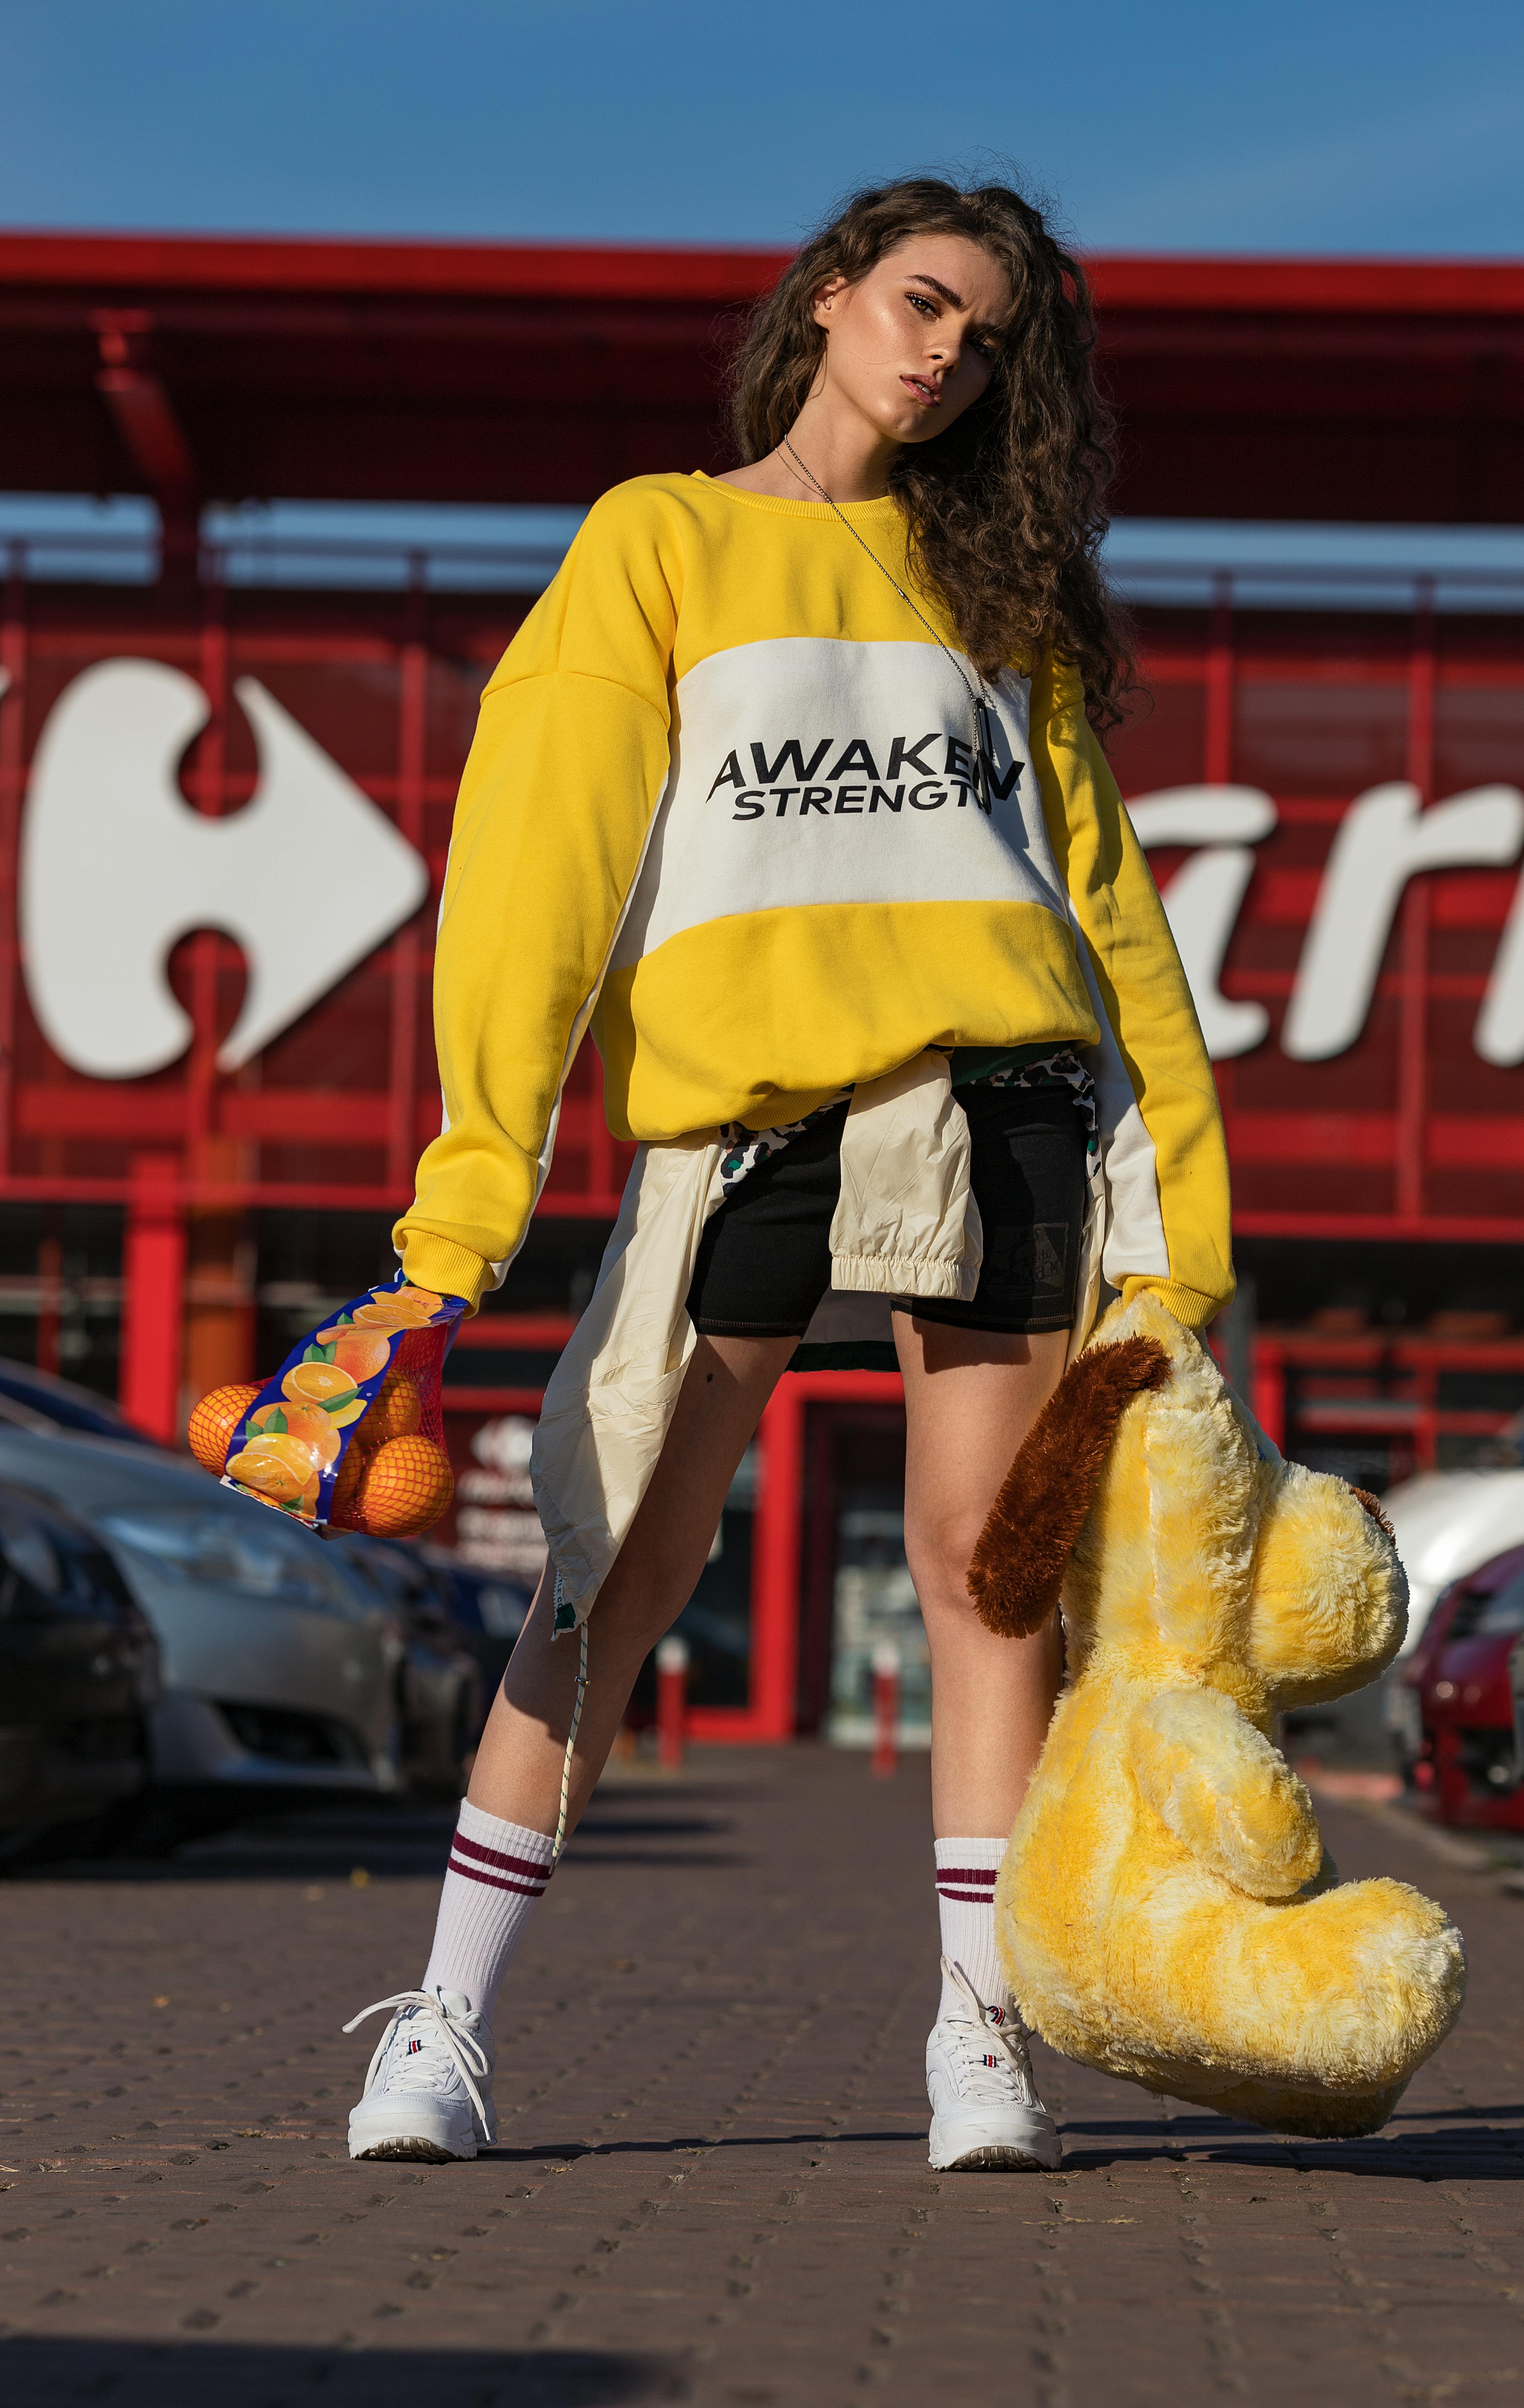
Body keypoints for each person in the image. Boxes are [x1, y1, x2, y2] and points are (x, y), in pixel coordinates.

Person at [342, 176, 1233, 2173]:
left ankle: (978, 2043)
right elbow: (534, 882)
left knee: (984, 1582)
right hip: (749, 1119)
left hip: (993, 1097)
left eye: (990, 338)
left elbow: (1109, 921)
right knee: (612, 1571)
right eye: (922, 303)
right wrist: (470, 1198)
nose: (947, 353)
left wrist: (1188, 1225)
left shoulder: (1002, 593)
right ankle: (447, 2030)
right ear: (832, 299)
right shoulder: (659, 537)